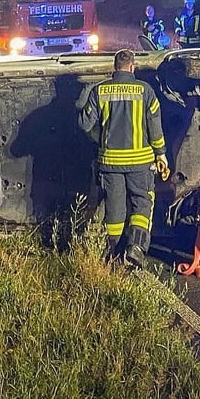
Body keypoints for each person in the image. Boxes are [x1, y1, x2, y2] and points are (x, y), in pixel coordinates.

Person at [78, 49, 170, 268]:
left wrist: (99, 138)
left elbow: (84, 125)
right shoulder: (145, 91)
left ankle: (113, 254)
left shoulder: (99, 91)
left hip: (110, 162)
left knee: (115, 208)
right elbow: (155, 127)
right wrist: (161, 155)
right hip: (140, 163)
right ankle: (135, 250)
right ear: (132, 66)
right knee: (141, 204)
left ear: (114, 67)